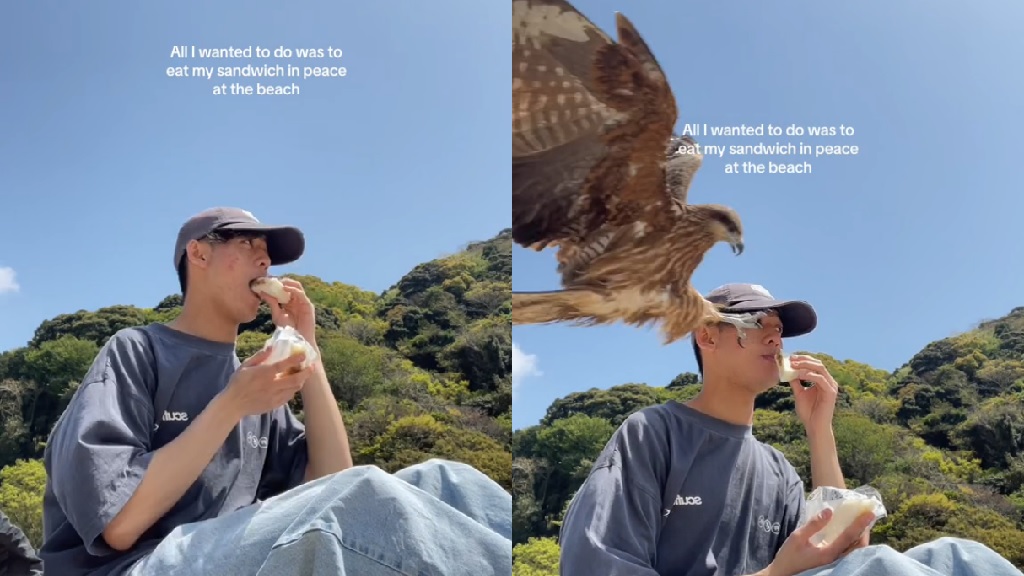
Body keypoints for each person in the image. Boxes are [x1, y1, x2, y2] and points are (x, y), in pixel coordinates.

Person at [39, 207, 512, 576]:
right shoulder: (137, 351)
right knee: (360, 498)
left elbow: (334, 479)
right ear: (198, 254)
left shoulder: (256, 383)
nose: (265, 260)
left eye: (267, 252)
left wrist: (310, 352)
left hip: (228, 552)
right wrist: (231, 405)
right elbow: (119, 526)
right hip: (135, 566)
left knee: (449, 480)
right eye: (248, 244)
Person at [558, 283, 1022, 576]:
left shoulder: (778, 471)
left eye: (779, 329)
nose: (774, 338)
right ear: (707, 336)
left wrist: (820, 429)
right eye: (756, 322)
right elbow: (594, 564)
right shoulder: (652, 434)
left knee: (960, 556)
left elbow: (846, 555)